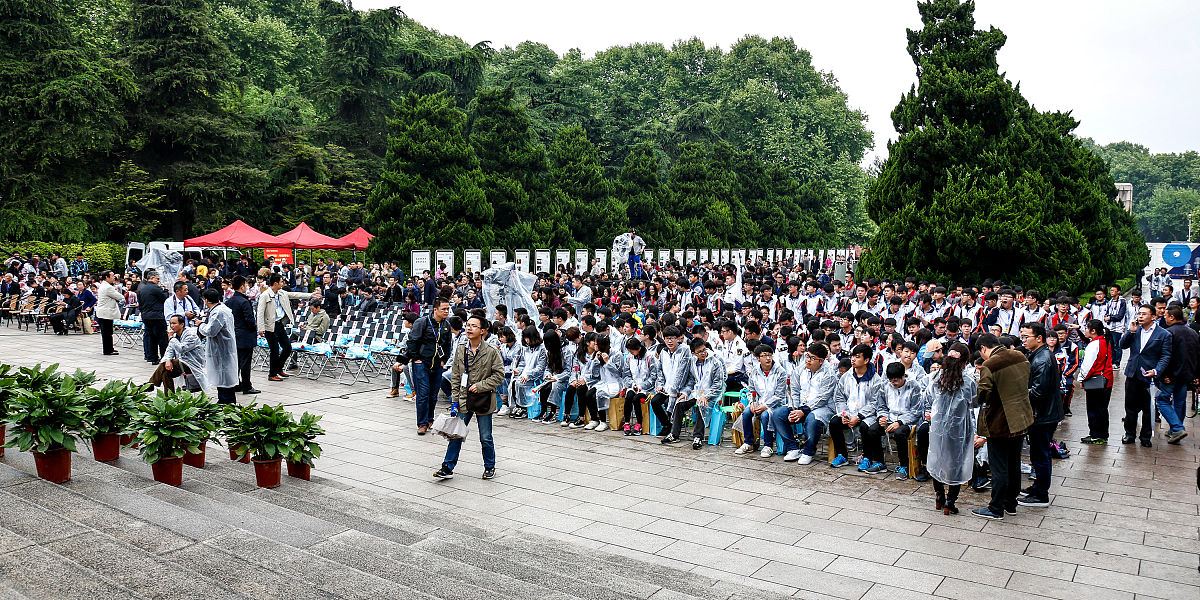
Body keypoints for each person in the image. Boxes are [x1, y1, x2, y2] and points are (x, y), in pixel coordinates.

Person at [435, 315, 505, 480]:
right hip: (464, 399)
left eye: (474, 326)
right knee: (456, 433)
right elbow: (456, 376)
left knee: (485, 436)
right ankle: (447, 467)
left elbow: (499, 375)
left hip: (484, 399)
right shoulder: (461, 348)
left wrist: (481, 386)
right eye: (468, 325)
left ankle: (489, 466)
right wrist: (454, 399)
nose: (469, 328)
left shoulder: (491, 351)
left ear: (482, 331)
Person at [972, 333, 1033, 520]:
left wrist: (978, 384)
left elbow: (984, 395)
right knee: (1014, 463)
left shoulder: (990, 365)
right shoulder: (1020, 356)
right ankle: (1010, 504)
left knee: (999, 466)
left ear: (983, 348)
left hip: (1001, 421)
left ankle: (996, 507)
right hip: (1022, 417)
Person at [924, 342, 976, 515]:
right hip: (960, 427)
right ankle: (950, 501)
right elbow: (975, 401)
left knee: (937, 457)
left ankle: (939, 496)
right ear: (965, 361)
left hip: (938, 425)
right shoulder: (968, 381)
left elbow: (929, 397)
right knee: (957, 462)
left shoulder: (936, 377)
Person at [1016, 322, 1062, 508]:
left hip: (1043, 415)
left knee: (1041, 454)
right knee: (1037, 454)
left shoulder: (1042, 359)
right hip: (1043, 413)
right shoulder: (1037, 355)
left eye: (1027, 337)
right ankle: (1037, 487)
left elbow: (1038, 392)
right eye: (1022, 336)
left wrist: (1016, 394)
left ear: (1039, 338)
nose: (1023, 340)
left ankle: (1041, 494)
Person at [1119, 305, 1172, 447]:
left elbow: (1166, 356)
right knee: (1130, 407)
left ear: (1153, 317)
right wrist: (1130, 332)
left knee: (1148, 409)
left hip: (1150, 378)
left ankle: (1146, 436)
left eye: (1144, 314)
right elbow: (1122, 345)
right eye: (1139, 313)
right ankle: (1129, 434)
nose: (1140, 316)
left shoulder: (1163, 334)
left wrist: (1156, 371)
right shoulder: (1135, 330)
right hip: (1132, 373)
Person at [777, 342, 837, 464]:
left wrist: (803, 410)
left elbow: (823, 398)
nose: (808, 360)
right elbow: (794, 389)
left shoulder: (829, 374)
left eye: (812, 358)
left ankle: (808, 451)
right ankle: (793, 448)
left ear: (821, 361)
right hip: (800, 405)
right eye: (807, 356)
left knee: (812, 419)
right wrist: (794, 408)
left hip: (822, 407)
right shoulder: (800, 369)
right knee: (778, 414)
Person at [830, 343, 885, 472]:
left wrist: (859, 416)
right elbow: (839, 397)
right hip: (849, 413)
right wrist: (844, 413)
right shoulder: (846, 376)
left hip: (868, 415)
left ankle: (867, 457)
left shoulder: (875, 380)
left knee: (866, 427)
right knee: (834, 423)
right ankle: (842, 455)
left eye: (857, 357)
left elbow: (875, 402)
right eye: (853, 356)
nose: (853, 359)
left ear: (866, 360)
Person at [407, 298, 453, 435]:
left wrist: (444, 360)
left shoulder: (446, 325)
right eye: (443, 309)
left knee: (433, 395)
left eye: (448, 309)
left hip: (437, 365)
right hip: (422, 364)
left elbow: (447, 345)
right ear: (435, 309)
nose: (446, 311)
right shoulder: (422, 322)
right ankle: (422, 423)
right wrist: (416, 358)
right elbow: (412, 341)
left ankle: (430, 419)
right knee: (423, 394)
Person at [256, 273, 312, 382]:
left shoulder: (281, 293)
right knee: (275, 350)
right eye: (281, 281)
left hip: (279, 324)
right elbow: (260, 312)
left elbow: (294, 295)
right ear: (275, 283)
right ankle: (272, 374)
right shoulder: (265, 295)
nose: (283, 283)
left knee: (287, 347)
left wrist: (310, 295)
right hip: (269, 326)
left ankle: (279, 368)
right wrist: (260, 328)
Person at [736, 344, 788, 458]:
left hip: (776, 405)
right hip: (759, 402)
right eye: (764, 356)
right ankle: (748, 443)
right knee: (746, 413)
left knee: (765, 415)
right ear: (758, 358)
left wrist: (765, 405)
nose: (768, 358)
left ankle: (768, 445)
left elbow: (779, 395)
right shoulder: (755, 371)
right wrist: (752, 403)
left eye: (770, 355)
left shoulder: (780, 372)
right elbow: (751, 390)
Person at [1159, 306, 1197, 444]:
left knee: (1162, 400)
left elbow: (1167, 356)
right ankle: (1176, 430)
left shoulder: (1168, 333)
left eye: (1166, 316)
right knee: (1179, 402)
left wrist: (1165, 374)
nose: (1164, 318)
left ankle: (1177, 427)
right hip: (1186, 375)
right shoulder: (1193, 332)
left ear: (1172, 317)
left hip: (1171, 375)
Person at [198, 287, 240, 404]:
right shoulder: (222, 309)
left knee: (224, 379)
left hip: (222, 351)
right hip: (222, 349)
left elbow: (211, 331)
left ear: (206, 300)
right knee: (222, 378)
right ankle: (224, 400)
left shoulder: (219, 312)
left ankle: (226, 403)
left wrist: (200, 325)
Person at [148, 315, 207, 393]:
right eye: (170, 323)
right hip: (181, 363)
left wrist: (171, 338)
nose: (171, 326)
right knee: (166, 373)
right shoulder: (175, 335)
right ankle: (169, 397)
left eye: (174, 323)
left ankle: (150, 384)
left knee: (165, 365)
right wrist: (168, 360)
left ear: (182, 324)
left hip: (193, 364)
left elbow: (181, 349)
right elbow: (169, 350)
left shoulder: (191, 335)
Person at [1078, 319, 1114, 445]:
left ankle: (1096, 435)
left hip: (1097, 380)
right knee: (1102, 408)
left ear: (1093, 331)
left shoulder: (1094, 344)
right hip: (1106, 379)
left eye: (1087, 328)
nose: (1085, 330)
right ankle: (1101, 434)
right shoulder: (1105, 340)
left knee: (1094, 408)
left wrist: (1081, 379)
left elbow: (1088, 365)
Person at [224, 276, 259, 395]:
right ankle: (246, 386)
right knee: (245, 363)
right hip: (245, 335)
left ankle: (235, 383)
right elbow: (249, 320)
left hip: (234, 334)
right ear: (242, 286)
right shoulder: (244, 301)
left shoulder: (229, 301)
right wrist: (254, 328)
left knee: (236, 362)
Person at [137, 270, 170, 364]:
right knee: (162, 338)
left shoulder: (142, 288)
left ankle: (152, 357)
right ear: (151, 278)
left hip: (146, 315)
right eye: (157, 279)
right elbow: (164, 298)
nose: (158, 281)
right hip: (157, 316)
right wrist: (166, 291)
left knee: (151, 337)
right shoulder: (155, 288)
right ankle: (165, 357)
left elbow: (140, 303)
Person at [95, 270, 124, 356]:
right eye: (112, 276)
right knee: (107, 332)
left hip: (104, 312)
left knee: (107, 332)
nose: (114, 278)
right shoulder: (108, 287)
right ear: (107, 277)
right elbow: (120, 296)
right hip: (105, 313)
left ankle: (109, 348)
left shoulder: (104, 285)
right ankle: (108, 350)